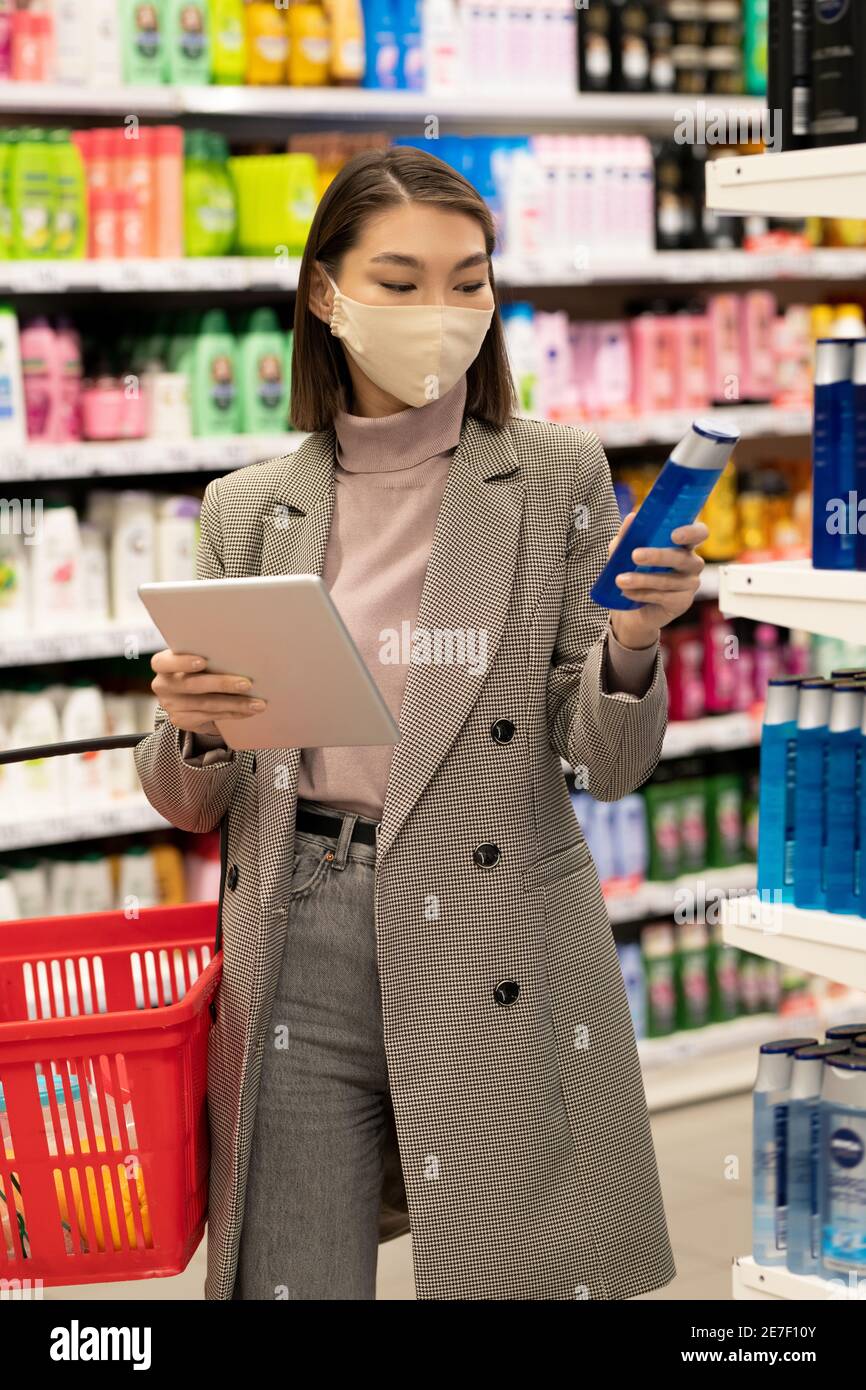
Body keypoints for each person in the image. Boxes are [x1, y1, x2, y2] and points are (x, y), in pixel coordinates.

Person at [135, 145, 708, 1302]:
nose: (439, 313)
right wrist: (191, 728)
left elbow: (606, 760)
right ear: (324, 294)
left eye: (469, 279)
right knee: (289, 1271)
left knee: (509, 1274)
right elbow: (190, 801)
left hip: (489, 920)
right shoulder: (247, 510)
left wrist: (634, 644)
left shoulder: (554, 478)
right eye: (397, 282)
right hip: (296, 938)